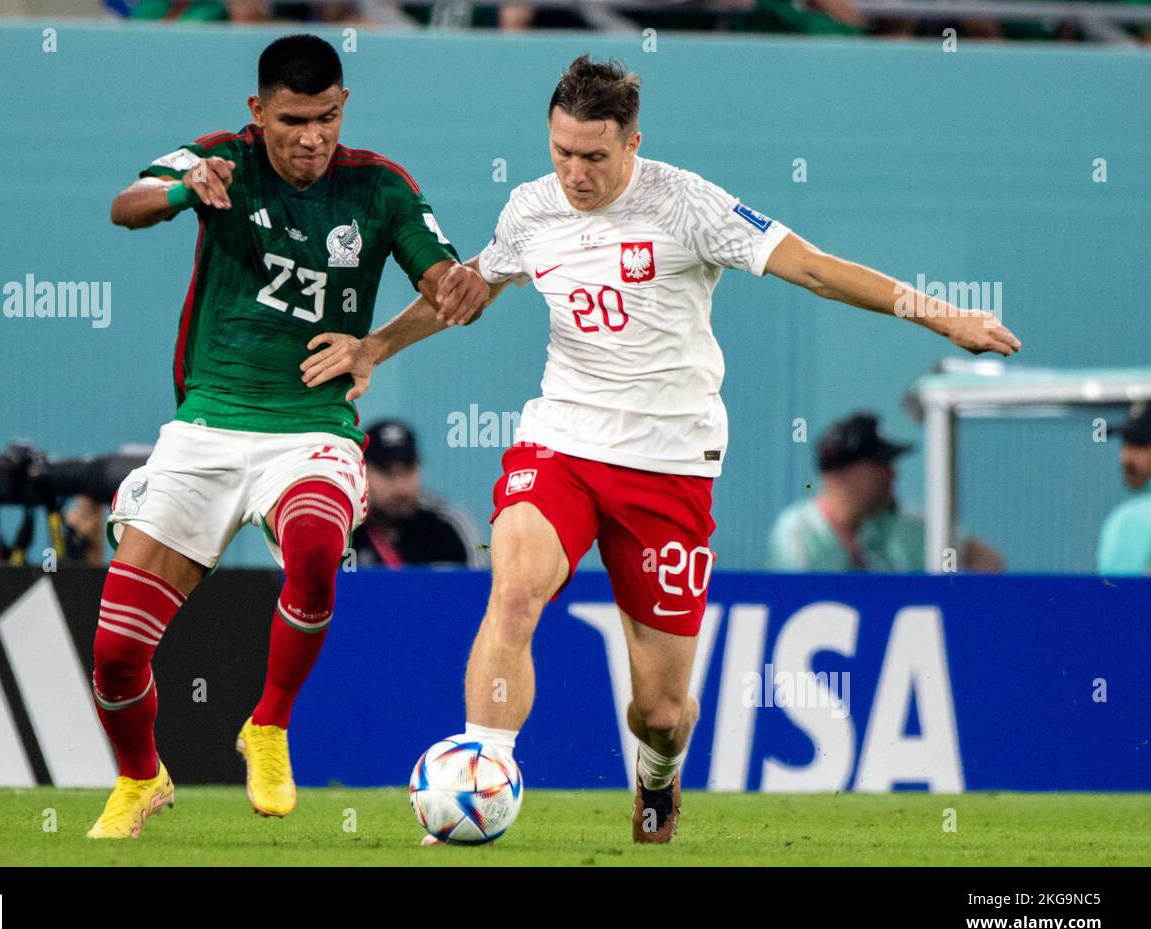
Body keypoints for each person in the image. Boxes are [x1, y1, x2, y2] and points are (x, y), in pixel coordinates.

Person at [303, 55, 1021, 844]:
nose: (575, 173)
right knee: (513, 592)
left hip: (668, 467)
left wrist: (941, 315)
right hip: (563, 442)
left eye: (595, 157)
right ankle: (481, 771)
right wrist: (377, 344)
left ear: (633, 143)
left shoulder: (688, 206)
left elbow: (813, 269)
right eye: (562, 152)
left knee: (663, 710)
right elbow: (470, 285)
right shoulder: (532, 208)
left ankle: (657, 776)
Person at [87, 34, 488, 838]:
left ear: (345, 109)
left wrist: (396, 329)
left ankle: (267, 723)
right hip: (204, 429)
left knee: (312, 547)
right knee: (116, 656)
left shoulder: (379, 189)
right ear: (257, 112)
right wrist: (182, 194)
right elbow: (124, 204)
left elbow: (450, 290)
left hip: (312, 430)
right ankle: (139, 778)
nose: (312, 138)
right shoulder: (220, 160)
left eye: (328, 119)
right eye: (294, 120)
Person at [768, 411, 1004, 573]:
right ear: (844, 474)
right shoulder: (799, 531)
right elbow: (795, 601)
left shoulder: (901, 528)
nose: (893, 475)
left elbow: (988, 561)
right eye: (881, 465)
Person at [350, 419, 481, 568]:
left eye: (408, 470)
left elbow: (485, 587)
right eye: (387, 473)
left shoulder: (450, 527)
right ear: (362, 472)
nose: (400, 487)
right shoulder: (344, 529)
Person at [1097, 401, 1151, 576]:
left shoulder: (1130, 520)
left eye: (1140, 445)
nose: (1126, 458)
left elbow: (1115, 599)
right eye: (1126, 444)